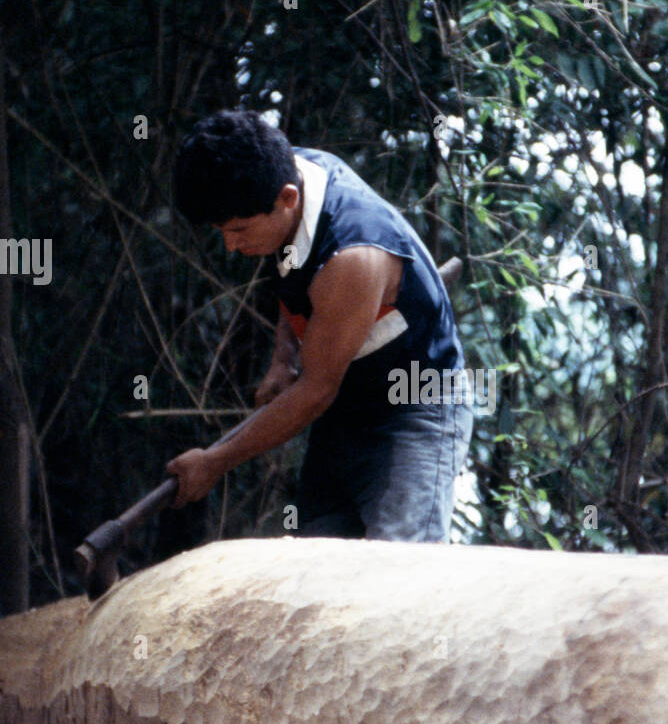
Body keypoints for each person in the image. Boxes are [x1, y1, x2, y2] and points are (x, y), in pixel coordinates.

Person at [166, 110, 472, 542]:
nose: (230, 245)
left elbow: (314, 392)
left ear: (288, 198)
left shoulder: (353, 257)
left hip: (416, 406)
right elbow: (295, 275)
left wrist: (214, 462)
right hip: (346, 400)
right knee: (319, 564)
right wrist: (283, 357)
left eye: (238, 230)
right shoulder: (281, 170)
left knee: (400, 572)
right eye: (221, 230)